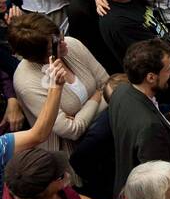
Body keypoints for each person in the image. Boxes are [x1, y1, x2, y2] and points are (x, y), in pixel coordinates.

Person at [108, 38, 170, 199]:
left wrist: (168, 118)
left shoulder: (121, 92)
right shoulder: (150, 128)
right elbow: (161, 182)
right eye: (168, 69)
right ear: (150, 77)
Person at [7, 12, 107, 158]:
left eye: (61, 37)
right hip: (74, 154)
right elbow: (72, 131)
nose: (64, 43)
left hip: (105, 129)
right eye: (57, 45)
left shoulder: (71, 44)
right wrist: (96, 96)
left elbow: (110, 85)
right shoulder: (26, 82)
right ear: (38, 56)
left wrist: (79, 116)